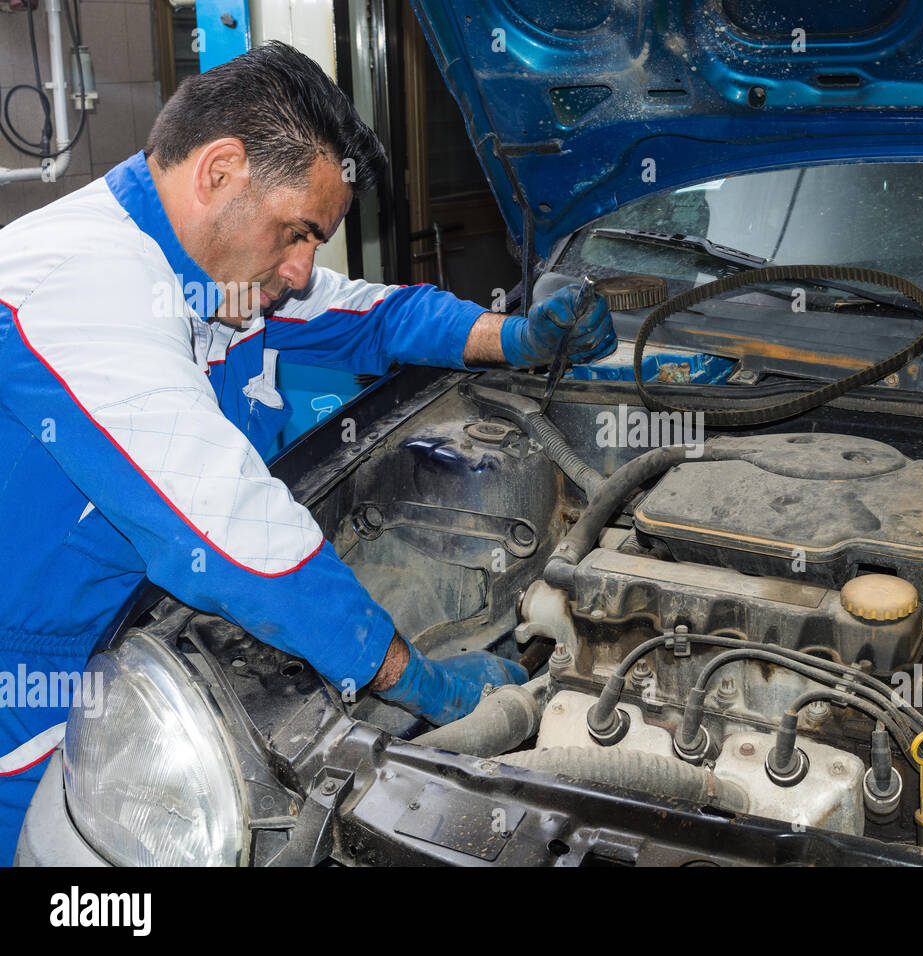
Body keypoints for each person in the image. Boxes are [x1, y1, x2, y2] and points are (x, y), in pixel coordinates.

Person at [0, 41, 615, 863]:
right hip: (29, 690)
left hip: (125, 637)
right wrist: (408, 675)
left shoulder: (212, 268)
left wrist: (519, 337)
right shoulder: (79, 288)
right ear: (219, 170)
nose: (301, 270)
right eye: (297, 233)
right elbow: (231, 533)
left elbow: (375, 315)